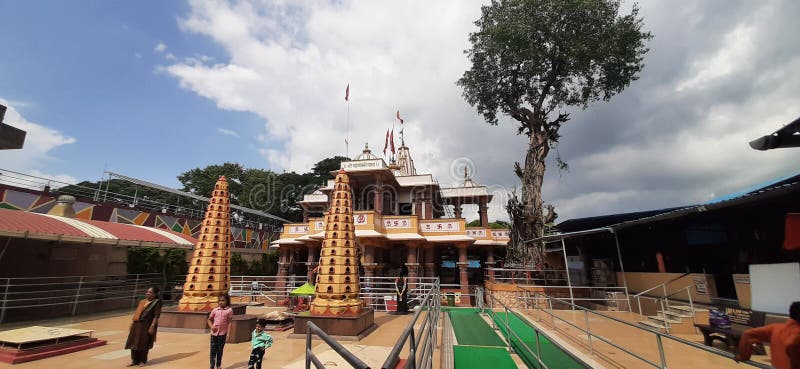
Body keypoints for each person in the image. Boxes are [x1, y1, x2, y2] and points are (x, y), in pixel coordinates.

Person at [736, 301, 800, 369]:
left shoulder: (775, 328)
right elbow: (791, 343)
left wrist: (743, 356)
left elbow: (747, 334)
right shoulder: (797, 332)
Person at [125, 286, 162, 367]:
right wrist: (132, 323)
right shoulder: (142, 301)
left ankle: (142, 361)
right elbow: (137, 313)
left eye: (150, 292)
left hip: (146, 325)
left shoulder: (157, 302)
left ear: (155, 294)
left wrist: (152, 326)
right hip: (136, 325)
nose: (147, 293)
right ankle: (134, 360)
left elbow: (156, 316)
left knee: (143, 343)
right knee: (133, 342)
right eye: (147, 292)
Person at [208, 294, 234, 369]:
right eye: (219, 300)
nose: (221, 302)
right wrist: (211, 326)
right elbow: (209, 319)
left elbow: (229, 322)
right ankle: (211, 366)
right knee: (213, 350)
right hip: (214, 334)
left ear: (227, 301)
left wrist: (228, 333)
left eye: (223, 300)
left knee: (220, 350)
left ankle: (218, 365)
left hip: (222, 334)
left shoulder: (229, 310)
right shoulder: (215, 310)